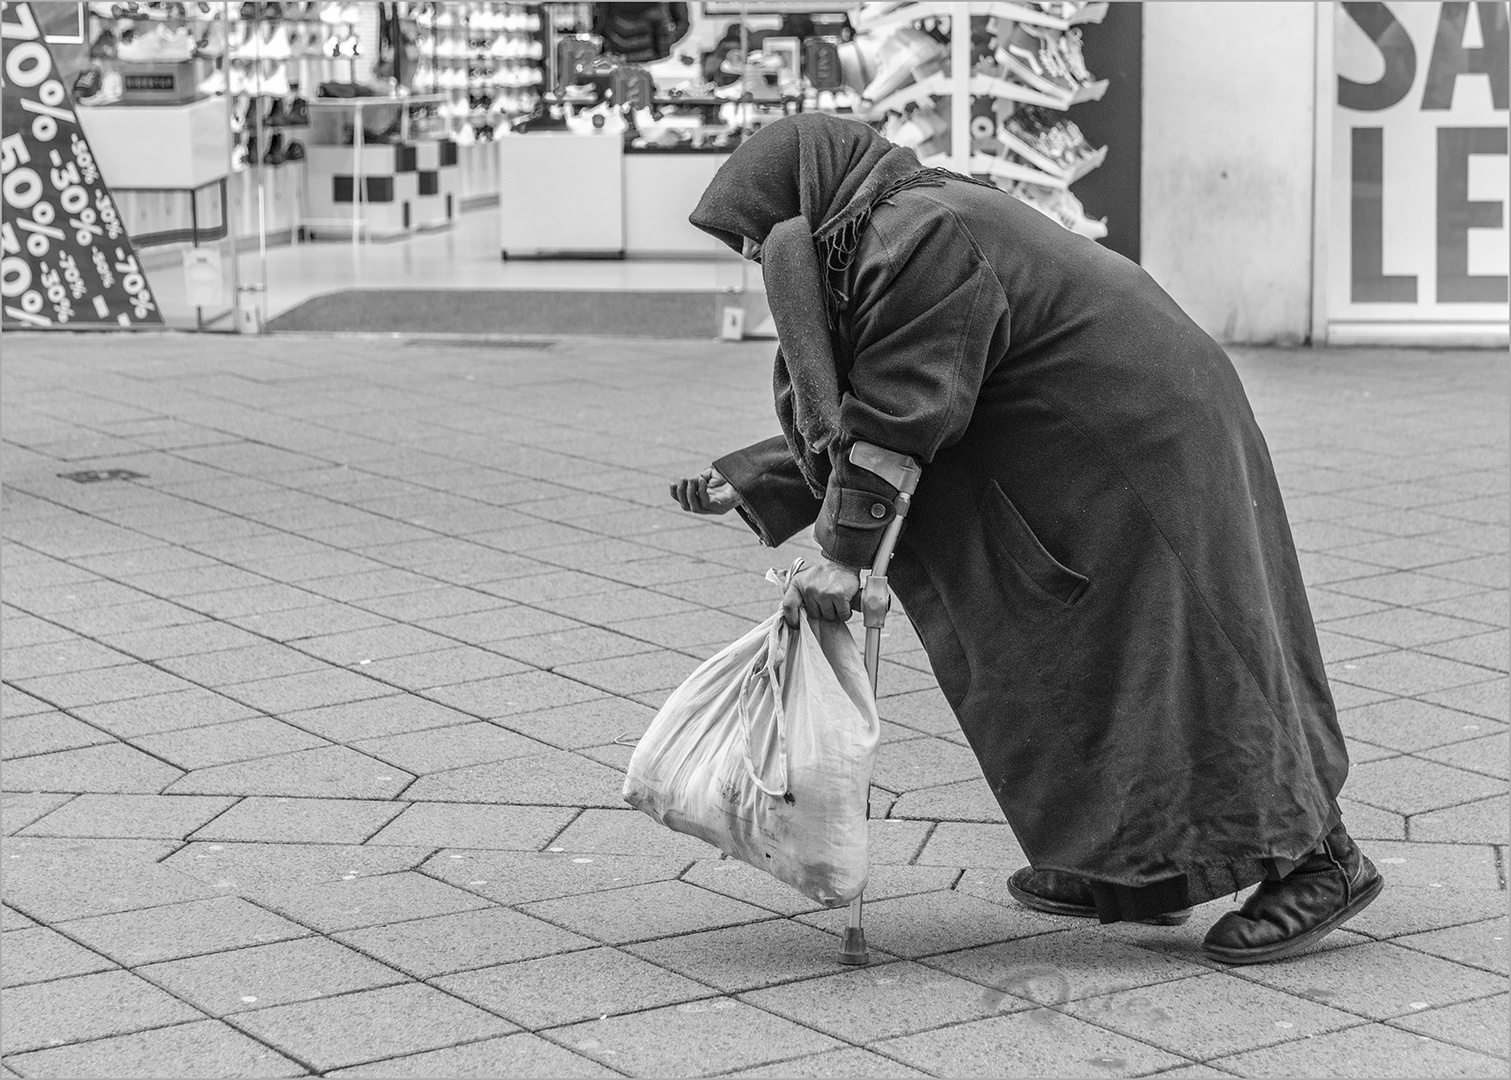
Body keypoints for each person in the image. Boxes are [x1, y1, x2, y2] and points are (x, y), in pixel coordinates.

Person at [669, 112, 1382, 964]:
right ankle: (1146, 865)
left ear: (805, 195)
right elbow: (903, 385)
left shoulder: (919, 230)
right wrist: (761, 478)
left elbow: (903, 407)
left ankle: (1319, 859)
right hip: (1085, 447)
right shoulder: (888, 223)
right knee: (1090, 662)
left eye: (757, 235)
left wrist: (841, 555)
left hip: (1139, 452)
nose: (756, 258)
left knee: (1194, 656)